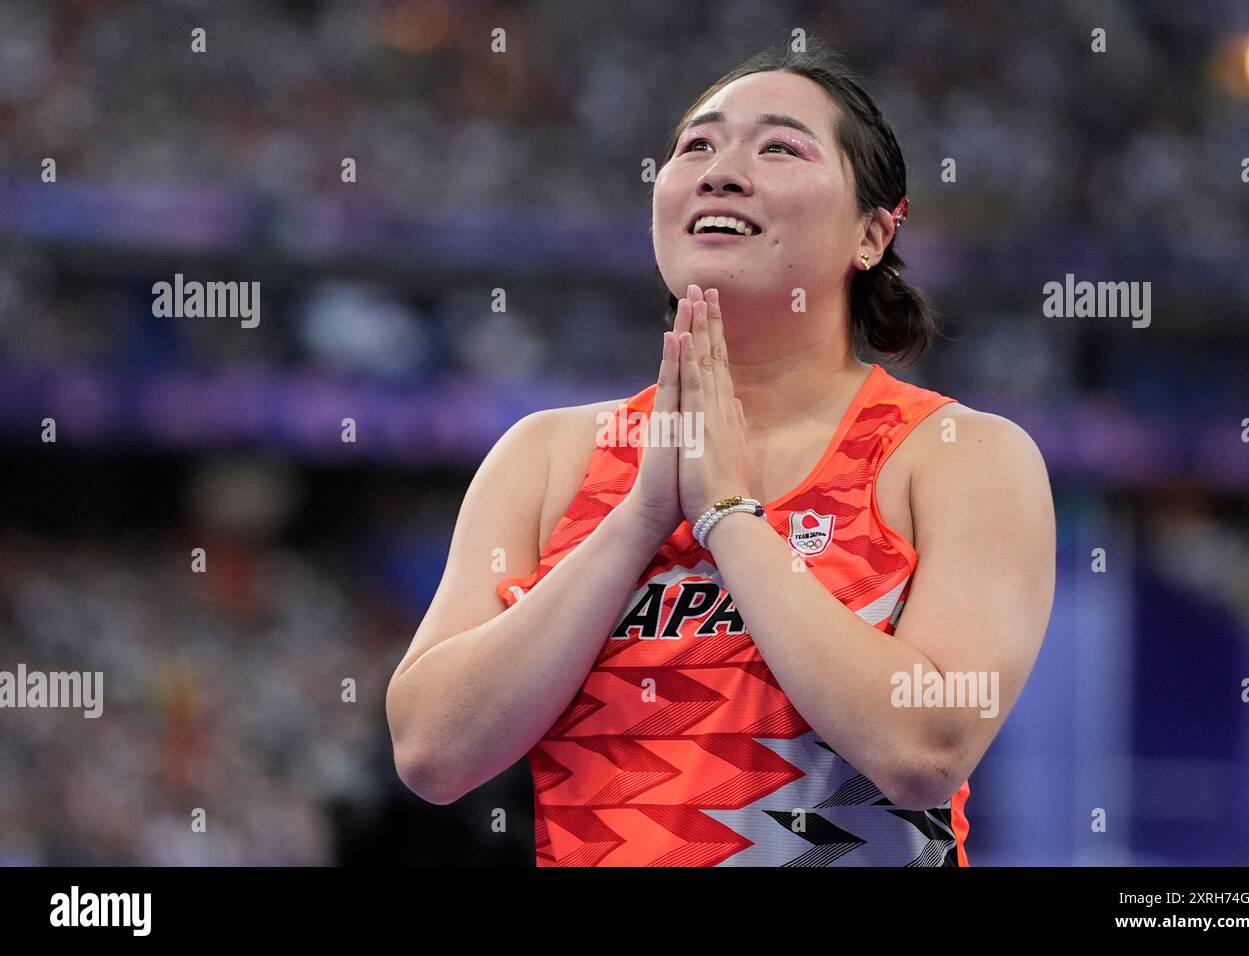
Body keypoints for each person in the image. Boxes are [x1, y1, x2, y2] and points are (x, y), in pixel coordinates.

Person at [387, 45, 1055, 866]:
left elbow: (923, 750)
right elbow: (431, 752)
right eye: (695, 147)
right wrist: (637, 520)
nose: (721, 172)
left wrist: (728, 517)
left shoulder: (958, 457)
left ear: (874, 233)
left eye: (780, 147)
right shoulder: (547, 458)